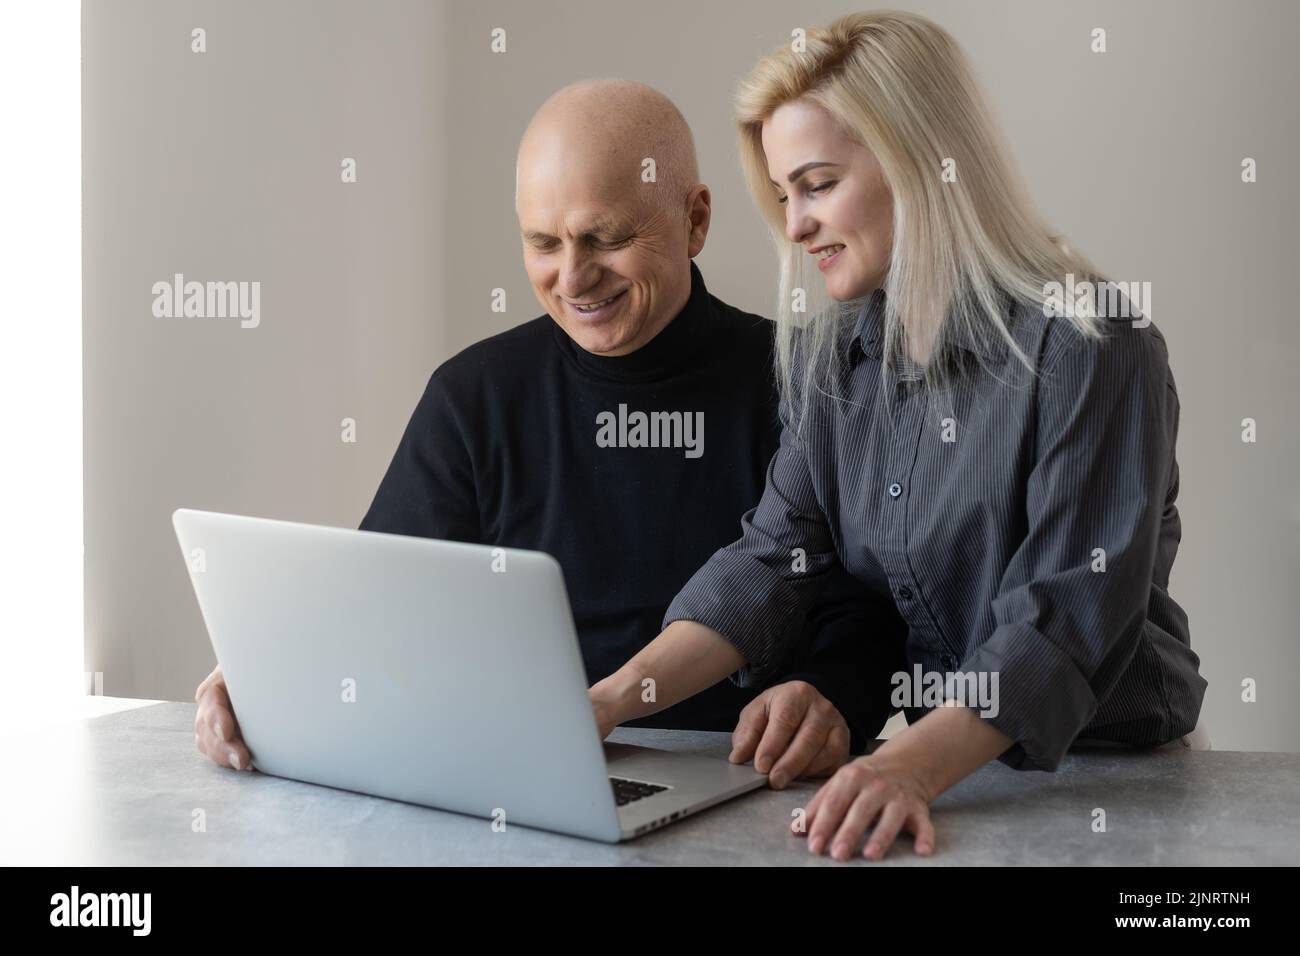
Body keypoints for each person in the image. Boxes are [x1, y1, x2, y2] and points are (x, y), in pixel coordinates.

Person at [589, 11, 1208, 862]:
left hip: (1118, 781)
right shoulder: (830, 358)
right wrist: (609, 700)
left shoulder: (1091, 344)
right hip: (953, 776)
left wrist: (907, 769)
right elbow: (772, 560)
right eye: (782, 196)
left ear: (922, 161)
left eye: (816, 184)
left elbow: (1060, 618)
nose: (794, 225)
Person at [193, 79, 907, 788]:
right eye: (543, 244)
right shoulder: (472, 398)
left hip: (741, 779)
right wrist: (273, 669)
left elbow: (876, 604)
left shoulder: (808, 383)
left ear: (694, 221)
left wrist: (831, 692)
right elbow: (381, 606)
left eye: (607, 237)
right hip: (518, 778)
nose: (574, 277)